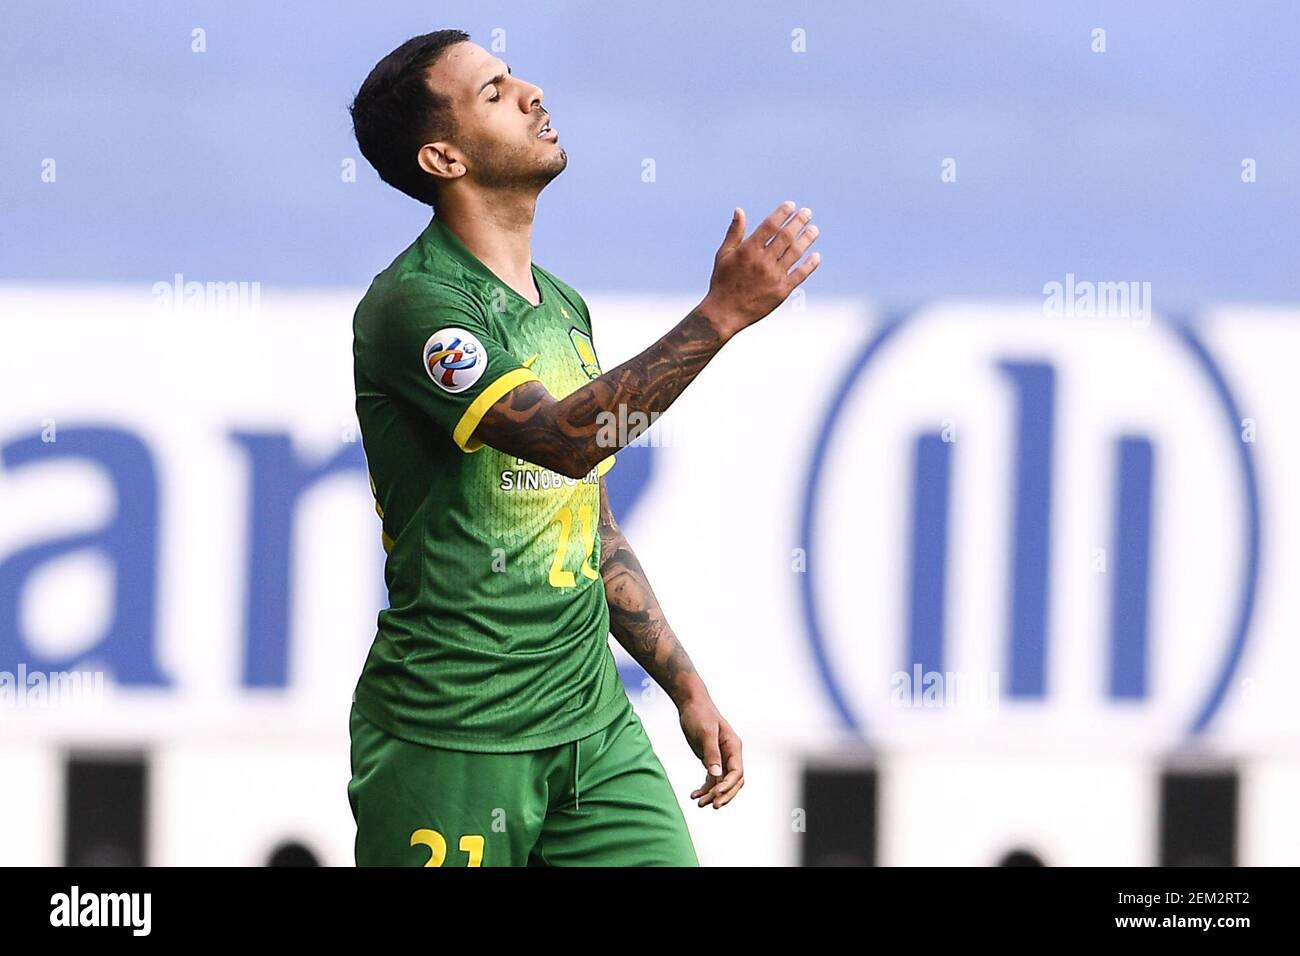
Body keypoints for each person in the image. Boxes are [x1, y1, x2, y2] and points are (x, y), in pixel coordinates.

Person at [345, 29, 820, 866]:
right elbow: (558, 442)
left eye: (513, 74)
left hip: (592, 726)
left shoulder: (562, 306)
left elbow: (585, 520)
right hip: (454, 734)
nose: (530, 92)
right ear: (443, 158)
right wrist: (720, 316)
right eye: (492, 92)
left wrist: (683, 682)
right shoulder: (417, 306)